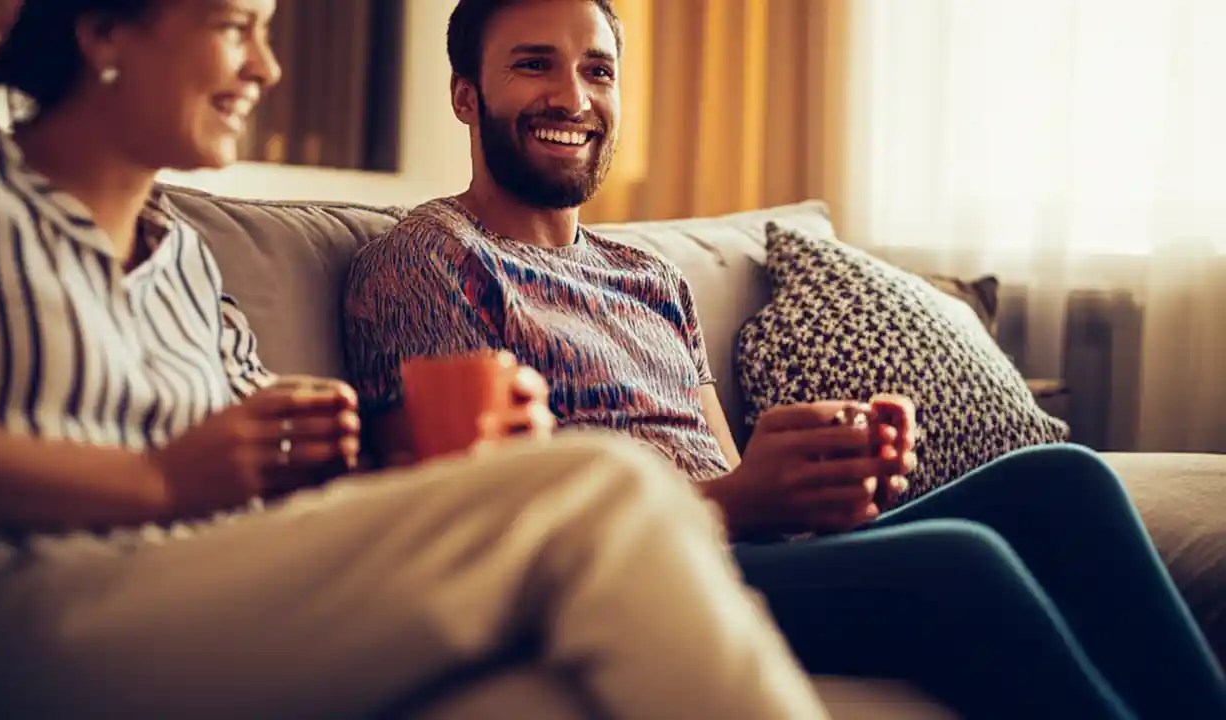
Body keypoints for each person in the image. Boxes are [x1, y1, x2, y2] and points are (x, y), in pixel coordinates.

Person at [0, 1, 834, 717]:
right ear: (103, 28)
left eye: (267, 33)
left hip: (207, 595)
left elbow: (290, 480)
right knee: (602, 481)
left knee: (533, 699)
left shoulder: (184, 260)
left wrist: (371, 459)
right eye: (233, 28)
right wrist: (155, 483)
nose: (267, 69)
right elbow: (172, 481)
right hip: (17, 610)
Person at [342, 1, 1226, 717]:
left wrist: (819, 485)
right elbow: (468, 530)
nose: (573, 95)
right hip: (628, 577)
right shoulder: (432, 259)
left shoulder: (649, 275)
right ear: (465, 96)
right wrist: (737, 500)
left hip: (733, 546)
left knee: (1061, 480)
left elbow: (724, 467)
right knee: (957, 561)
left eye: (597, 69)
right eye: (533, 64)